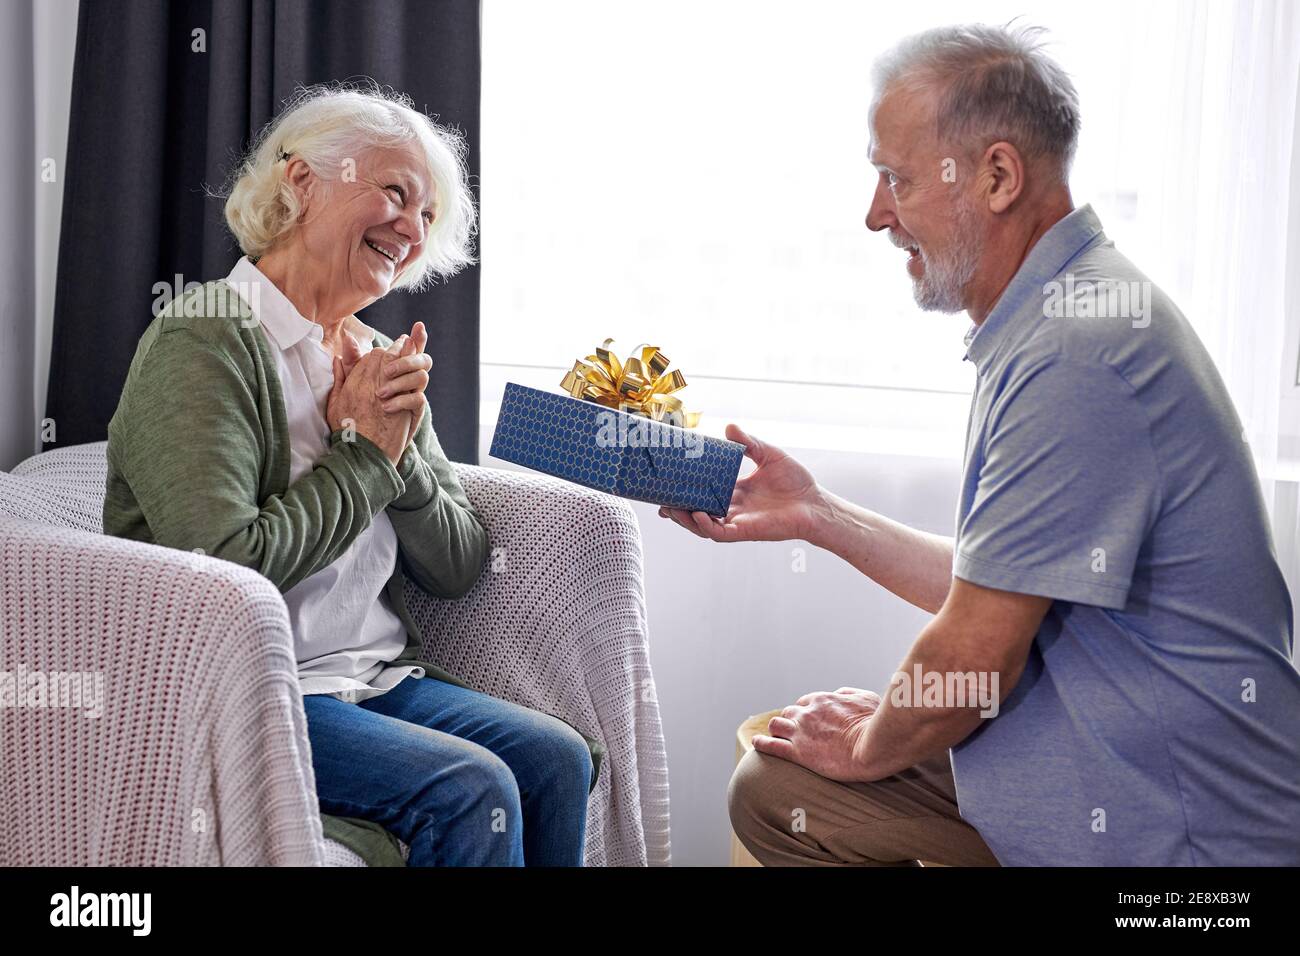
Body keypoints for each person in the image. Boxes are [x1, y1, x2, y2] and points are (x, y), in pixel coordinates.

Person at [662, 24, 1300, 866]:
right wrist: (815, 513)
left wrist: (870, 746)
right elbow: (998, 587)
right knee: (780, 781)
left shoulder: (1080, 349)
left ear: (997, 176)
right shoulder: (1064, 313)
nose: (875, 214)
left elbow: (977, 652)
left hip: (1179, 848)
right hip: (1094, 776)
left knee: (790, 792)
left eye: (897, 178)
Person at [104, 82, 592, 866]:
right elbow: (227, 564)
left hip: (371, 679)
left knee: (554, 759)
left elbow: (458, 565)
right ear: (300, 182)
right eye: (394, 193)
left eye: (426, 216)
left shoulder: (375, 358)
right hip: (252, 692)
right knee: (471, 788)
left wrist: (397, 456)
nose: (411, 227)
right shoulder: (205, 340)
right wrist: (363, 456)